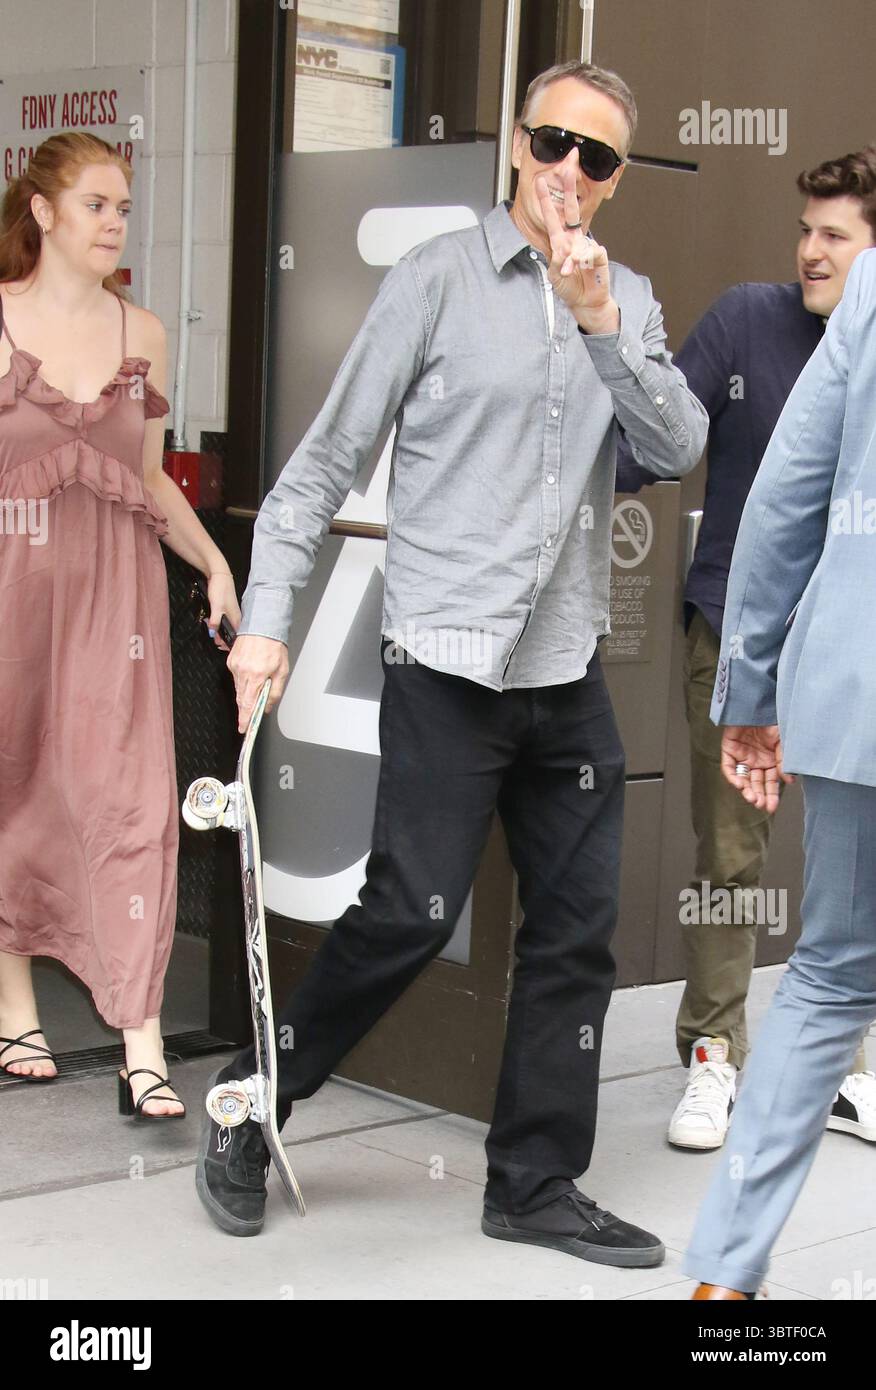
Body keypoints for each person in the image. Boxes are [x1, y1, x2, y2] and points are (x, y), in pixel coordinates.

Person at [195, 60, 707, 1255]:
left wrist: (600, 328)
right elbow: (320, 468)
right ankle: (250, 1103)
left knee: (578, 930)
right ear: (518, 147)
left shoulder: (624, 296)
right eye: (554, 142)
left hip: (562, 670)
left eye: (600, 157)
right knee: (409, 913)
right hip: (446, 661)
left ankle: (530, 1184)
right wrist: (267, 618)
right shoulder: (432, 279)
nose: (571, 171)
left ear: (617, 179)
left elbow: (676, 441)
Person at [616, 148, 876, 1150]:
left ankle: (842, 1067)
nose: (809, 250)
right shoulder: (743, 322)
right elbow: (656, 441)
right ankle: (713, 1058)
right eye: (806, 230)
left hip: (854, 649)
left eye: (835, 236)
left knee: (851, 871)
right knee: (732, 858)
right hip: (739, 641)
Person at [0, 133, 241, 1117]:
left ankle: (141, 1038)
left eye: (124, 209)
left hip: (116, 595)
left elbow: (145, 480)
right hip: (14, 583)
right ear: (44, 212)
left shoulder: (143, 332)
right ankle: (13, 1002)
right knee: (14, 787)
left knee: (132, 801)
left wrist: (218, 562)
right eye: (95, 204)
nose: (113, 223)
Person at [683, 242, 876, 1298]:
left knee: (831, 975)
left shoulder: (875, 290)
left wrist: (752, 689)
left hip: (860, 678)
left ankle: (722, 1279)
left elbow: (784, 492)